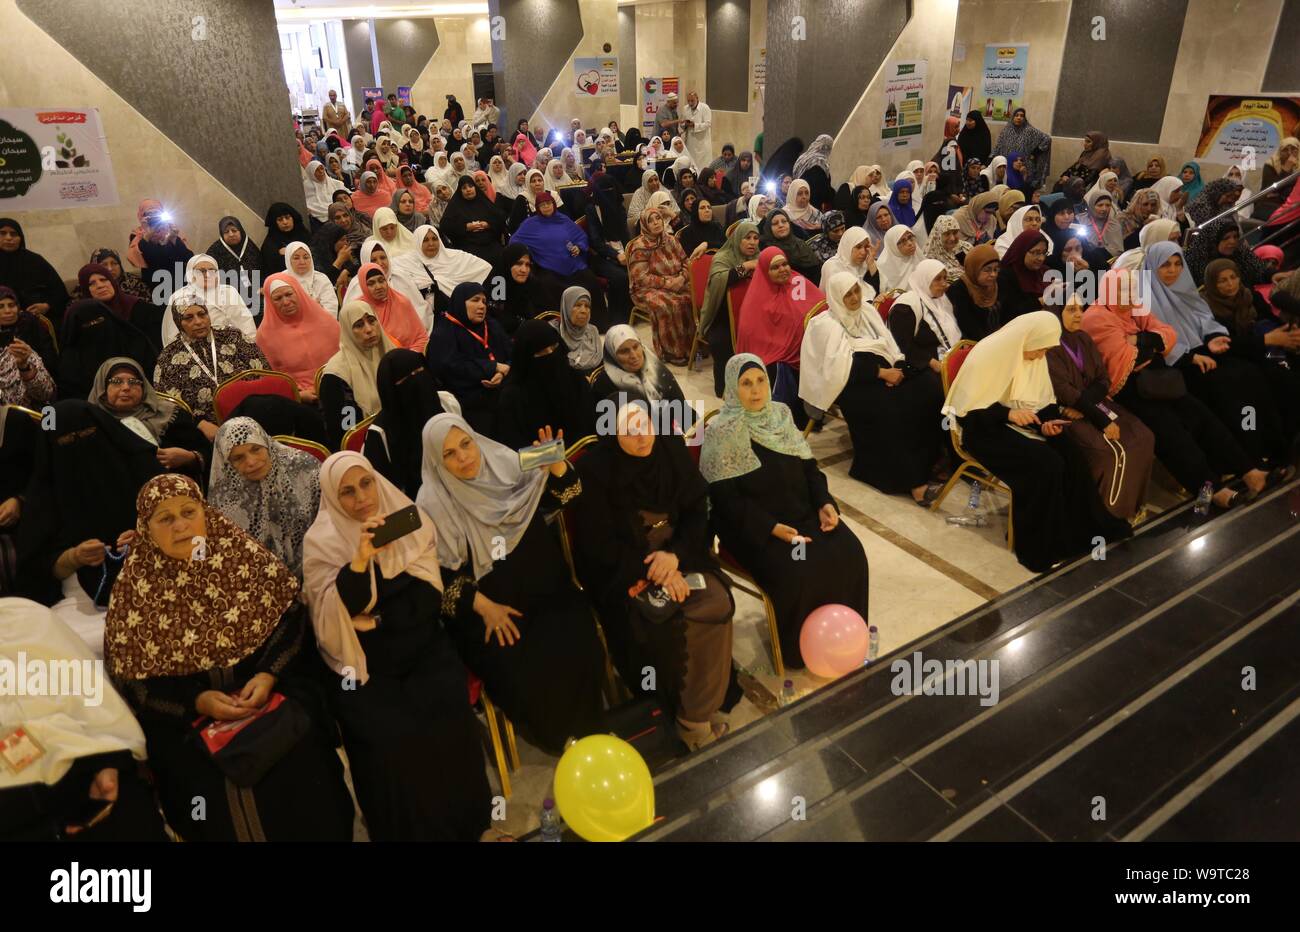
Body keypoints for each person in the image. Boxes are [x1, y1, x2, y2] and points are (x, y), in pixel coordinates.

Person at [103, 474, 354, 841]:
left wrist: (268, 675)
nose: (181, 525)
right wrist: (198, 700)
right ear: (146, 528)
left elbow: (290, 619)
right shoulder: (134, 589)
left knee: (301, 771)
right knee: (205, 789)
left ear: (205, 512)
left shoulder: (242, 556)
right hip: (188, 721)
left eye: (189, 511)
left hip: (271, 699)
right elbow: (133, 679)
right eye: (165, 518)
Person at [417, 413, 606, 752]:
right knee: (525, 667)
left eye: (466, 443)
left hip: (549, 590)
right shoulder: (432, 504)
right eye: (449, 454)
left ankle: (591, 734)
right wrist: (484, 607)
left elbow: (569, 496)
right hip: (491, 609)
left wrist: (557, 467)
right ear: (436, 460)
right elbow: (437, 581)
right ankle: (559, 739)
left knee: (577, 638)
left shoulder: (506, 464)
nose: (464, 457)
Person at [572, 397, 735, 749]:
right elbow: (597, 547)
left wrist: (674, 557)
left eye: (644, 425)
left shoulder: (669, 449)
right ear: (613, 434)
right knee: (664, 624)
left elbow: (695, 512)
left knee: (717, 602)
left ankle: (696, 711)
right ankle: (684, 718)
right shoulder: (597, 471)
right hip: (627, 568)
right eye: (628, 432)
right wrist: (657, 569)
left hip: (680, 552)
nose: (641, 437)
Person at [701, 353, 868, 667]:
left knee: (850, 552)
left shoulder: (780, 415)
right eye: (746, 384)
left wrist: (824, 503)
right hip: (756, 530)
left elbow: (810, 468)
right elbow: (725, 501)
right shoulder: (721, 433)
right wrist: (770, 529)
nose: (755, 390)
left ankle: (846, 643)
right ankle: (798, 652)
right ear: (733, 389)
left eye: (761, 380)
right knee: (801, 569)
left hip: (803, 515)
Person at [942, 312, 1130, 571]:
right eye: (1039, 349)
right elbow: (968, 413)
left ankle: (1081, 529)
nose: (1041, 356)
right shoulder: (989, 355)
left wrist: (1048, 423)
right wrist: (1007, 413)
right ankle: (1037, 543)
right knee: (1046, 464)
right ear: (1027, 339)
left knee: (1070, 452)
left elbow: (1043, 401)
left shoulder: (1033, 355)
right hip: (982, 429)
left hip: (1020, 422)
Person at [1082, 268, 1268, 510]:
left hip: (1157, 379)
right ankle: (1212, 491)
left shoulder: (1134, 309)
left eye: (1132, 288)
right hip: (1127, 390)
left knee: (1202, 417)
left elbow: (1169, 335)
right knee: (1172, 435)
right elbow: (1127, 359)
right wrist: (1153, 345)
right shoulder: (1096, 318)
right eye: (1123, 289)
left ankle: (1249, 471)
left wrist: (1140, 340)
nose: (1130, 295)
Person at [0, 598, 170, 842]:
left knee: (128, 817)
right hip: (17, 809)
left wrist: (107, 760)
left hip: (83, 773)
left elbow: (92, 705)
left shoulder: (25, 617)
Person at [1143, 241, 1291, 469]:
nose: (1173, 270)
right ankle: (1251, 454)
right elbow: (1158, 341)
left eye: (1177, 264)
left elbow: (1205, 320)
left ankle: (1270, 446)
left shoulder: (1185, 290)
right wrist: (1189, 356)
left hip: (1208, 351)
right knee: (1231, 389)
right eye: (1165, 265)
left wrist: (1213, 336)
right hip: (1181, 364)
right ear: (1153, 268)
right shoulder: (1146, 302)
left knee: (1252, 375)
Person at [1045, 297, 1156, 520]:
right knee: (1106, 452)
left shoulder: (1083, 338)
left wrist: (1086, 407)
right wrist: (1096, 416)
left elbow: (1103, 380)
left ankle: (1132, 506)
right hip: (1065, 411)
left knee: (1144, 437)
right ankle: (1104, 515)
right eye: (1071, 309)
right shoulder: (1048, 346)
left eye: (1081, 309)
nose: (1079, 314)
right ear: (1056, 313)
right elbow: (1064, 391)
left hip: (1091, 405)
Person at [209, 418, 320, 578]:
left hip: (317, 568)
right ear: (227, 463)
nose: (251, 462)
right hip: (257, 580)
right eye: (238, 458)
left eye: (256, 449)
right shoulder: (224, 493)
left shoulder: (305, 468)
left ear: (266, 444)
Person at [154, 298, 266, 438]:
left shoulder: (232, 336)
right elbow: (167, 404)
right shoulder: (169, 356)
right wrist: (199, 424)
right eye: (188, 318)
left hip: (251, 413)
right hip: (205, 430)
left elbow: (264, 372)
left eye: (202, 314)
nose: (198, 321)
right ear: (178, 322)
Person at [735, 247, 824, 421]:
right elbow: (752, 336)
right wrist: (786, 347)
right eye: (775, 267)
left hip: (805, 348)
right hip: (777, 356)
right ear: (765, 271)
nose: (783, 269)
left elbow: (821, 305)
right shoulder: (756, 298)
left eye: (785, 264)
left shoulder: (797, 281)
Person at [90, 356, 210, 481]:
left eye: (133, 382)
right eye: (116, 381)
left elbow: (208, 453)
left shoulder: (167, 415)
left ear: (144, 387)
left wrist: (190, 457)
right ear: (102, 388)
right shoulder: (90, 424)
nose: (126, 387)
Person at [364, 349, 460, 497]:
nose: (419, 382)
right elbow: (383, 492)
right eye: (407, 378)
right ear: (390, 389)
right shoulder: (380, 435)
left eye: (420, 371)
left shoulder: (447, 403)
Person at [509, 191, 609, 328]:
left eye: (549, 204)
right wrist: (530, 252)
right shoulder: (530, 224)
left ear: (554, 204)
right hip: (548, 268)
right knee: (548, 286)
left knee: (591, 281)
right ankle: (563, 327)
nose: (546, 207)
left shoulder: (563, 219)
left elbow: (580, 236)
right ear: (537, 207)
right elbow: (514, 241)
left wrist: (578, 247)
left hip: (573, 264)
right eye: (542, 205)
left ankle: (596, 324)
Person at [426, 281, 512, 436]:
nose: (482, 306)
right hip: (467, 400)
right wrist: (492, 367)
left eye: (484, 302)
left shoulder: (491, 325)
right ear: (460, 302)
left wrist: (503, 372)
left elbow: (511, 354)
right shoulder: (444, 332)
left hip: (503, 390)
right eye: (475, 300)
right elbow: (448, 367)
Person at [495, 319, 597, 449]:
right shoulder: (512, 397)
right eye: (541, 353)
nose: (551, 355)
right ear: (525, 358)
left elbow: (592, 425)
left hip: (585, 458)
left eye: (554, 347)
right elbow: (514, 450)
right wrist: (549, 456)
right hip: (541, 466)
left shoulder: (575, 378)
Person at [627, 206, 700, 365]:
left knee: (693, 298)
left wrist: (682, 278)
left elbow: (686, 262)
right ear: (645, 225)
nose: (655, 223)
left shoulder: (671, 239)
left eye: (658, 218)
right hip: (647, 288)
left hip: (677, 281)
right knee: (668, 304)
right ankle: (672, 351)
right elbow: (641, 277)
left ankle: (693, 346)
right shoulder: (639, 247)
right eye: (651, 221)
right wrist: (667, 283)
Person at [318, 301, 395, 449]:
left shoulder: (387, 352)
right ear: (347, 330)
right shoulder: (336, 376)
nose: (369, 329)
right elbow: (347, 429)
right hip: (366, 446)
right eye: (359, 325)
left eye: (372, 321)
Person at [57, 295, 161, 402]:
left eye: (99, 321)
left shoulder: (135, 342)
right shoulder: (70, 361)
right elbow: (72, 398)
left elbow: (154, 383)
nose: (95, 327)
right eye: (88, 324)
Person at [700, 220, 761, 395]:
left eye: (755, 238)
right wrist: (746, 267)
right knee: (721, 343)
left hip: (752, 317)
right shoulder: (723, 257)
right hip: (722, 316)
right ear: (737, 239)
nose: (752, 242)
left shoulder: (760, 256)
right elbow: (719, 280)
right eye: (747, 238)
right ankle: (725, 388)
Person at [256, 273, 339, 399]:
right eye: (278, 298)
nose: (286, 302)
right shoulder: (265, 335)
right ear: (270, 302)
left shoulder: (325, 321)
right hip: (299, 398)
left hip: (339, 386)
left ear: (298, 293)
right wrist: (297, 395)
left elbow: (347, 358)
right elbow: (269, 381)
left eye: (289, 294)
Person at [393, 224, 491, 325]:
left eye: (434, 239)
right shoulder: (406, 263)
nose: (431, 243)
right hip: (422, 321)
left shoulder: (455, 258)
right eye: (425, 240)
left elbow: (485, 268)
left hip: (455, 320)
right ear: (417, 242)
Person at [888, 258, 964, 384]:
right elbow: (902, 345)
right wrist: (931, 362)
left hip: (947, 358)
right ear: (925, 279)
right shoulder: (906, 307)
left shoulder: (942, 300)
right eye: (938, 279)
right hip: (919, 366)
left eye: (945, 278)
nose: (944, 283)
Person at [353, 261, 429, 352]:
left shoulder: (402, 303)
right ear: (363, 286)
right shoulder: (358, 310)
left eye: (381, 281)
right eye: (371, 283)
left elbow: (421, 338)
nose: (378, 287)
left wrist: (409, 358)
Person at [0, 286, 57, 400]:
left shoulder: (31, 324)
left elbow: (47, 391)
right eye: (0, 307)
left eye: (12, 305)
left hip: (30, 397)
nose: (8, 311)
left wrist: (24, 366)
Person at [440, 174, 507, 267]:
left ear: (475, 188)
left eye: (471, 186)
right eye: (464, 188)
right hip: (468, 245)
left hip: (490, 243)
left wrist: (488, 224)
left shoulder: (483, 202)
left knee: (502, 259)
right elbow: (445, 226)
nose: (468, 189)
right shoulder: (455, 206)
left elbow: (500, 218)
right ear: (460, 191)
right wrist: (466, 227)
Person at [207, 217, 263, 315]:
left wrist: (263, 286)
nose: (231, 234)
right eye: (226, 232)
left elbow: (262, 267)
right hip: (230, 300)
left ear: (240, 230)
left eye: (234, 230)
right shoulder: (214, 251)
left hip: (257, 294)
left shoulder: (249, 245)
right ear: (221, 234)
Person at [946, 244, 1003, 340]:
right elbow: (968, 327)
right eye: (987, 270)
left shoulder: (997, 283)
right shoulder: (959, 290)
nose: (993, 274)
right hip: (977, 344)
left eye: (995, 269)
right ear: (974, 269)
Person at [996, 229, 1052, 322]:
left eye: (1044, 253)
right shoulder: (1005, 276)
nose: (1041, 258)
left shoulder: (1045, 271)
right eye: (1036, 252)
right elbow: (1009, 314)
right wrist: (1040, 301)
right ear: (1022, 250)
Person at [992, 109, 1052, 191]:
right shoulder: (1006, 131)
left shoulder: (1029, 130)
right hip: (1008, 168)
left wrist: (1035, 152)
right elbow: (998, 146)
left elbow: (1047, 139)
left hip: (1024, 167)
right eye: (1016, 115)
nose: (1019, 118)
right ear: (1012, 117)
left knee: (1023, 191)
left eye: (1022, 116)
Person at [758, 207, 822, 283]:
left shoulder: (800, 244)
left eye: (784, 221)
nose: (781, 225)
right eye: (775, 223)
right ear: (769, 228)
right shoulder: (765, 247)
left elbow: (815, 270)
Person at [551, 285, 604, 375]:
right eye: (578, 305)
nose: (584, 311)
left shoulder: (592, 331)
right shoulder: (553, 333)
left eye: (587, 306)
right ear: (567, 306)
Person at [260, 203, 311, 275]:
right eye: (280, 220)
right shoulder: (270, 245)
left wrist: (289, 251)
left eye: (287, 217)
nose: (285, 222)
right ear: (275, 223)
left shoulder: (304, 235)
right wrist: (278, 256)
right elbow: (267, 270)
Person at [1258, 136, 1299, 219]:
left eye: (1293, 149)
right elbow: (1270, 189)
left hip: (1293, 206)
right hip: (1270, 205)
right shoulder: (1271, 164)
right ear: (1280, 152)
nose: (1289, 153)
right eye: (1285, 150)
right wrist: (1286, 169)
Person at [791, 134, 835, 210]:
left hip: (796, 200)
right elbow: (822, 190)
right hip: (811, 207)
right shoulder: (820, 163)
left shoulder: (802, 158)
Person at [877, 225, 923, 293]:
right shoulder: (883, 266)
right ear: (893, 245)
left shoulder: (918, 256)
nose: (910, 243)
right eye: (903, 241)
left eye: (910, 237)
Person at [925, 214, 966, 281]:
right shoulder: (930, 258)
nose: (952, 238)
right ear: (938, 235)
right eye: (947, 234)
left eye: (955, 232)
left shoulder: (966, 247)